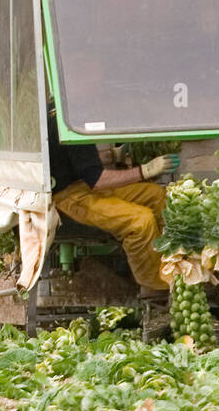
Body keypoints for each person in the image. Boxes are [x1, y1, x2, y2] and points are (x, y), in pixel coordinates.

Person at [46, 108, 173, 297]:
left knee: (156, 195)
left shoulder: (70, 110)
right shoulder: (68, 118)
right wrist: (144, 171)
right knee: (140, 221)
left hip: (84, 185)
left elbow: (83, 160)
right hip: (68, 196)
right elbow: (97, 180)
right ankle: (154, 287)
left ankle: (175, 268)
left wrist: (115, 155)